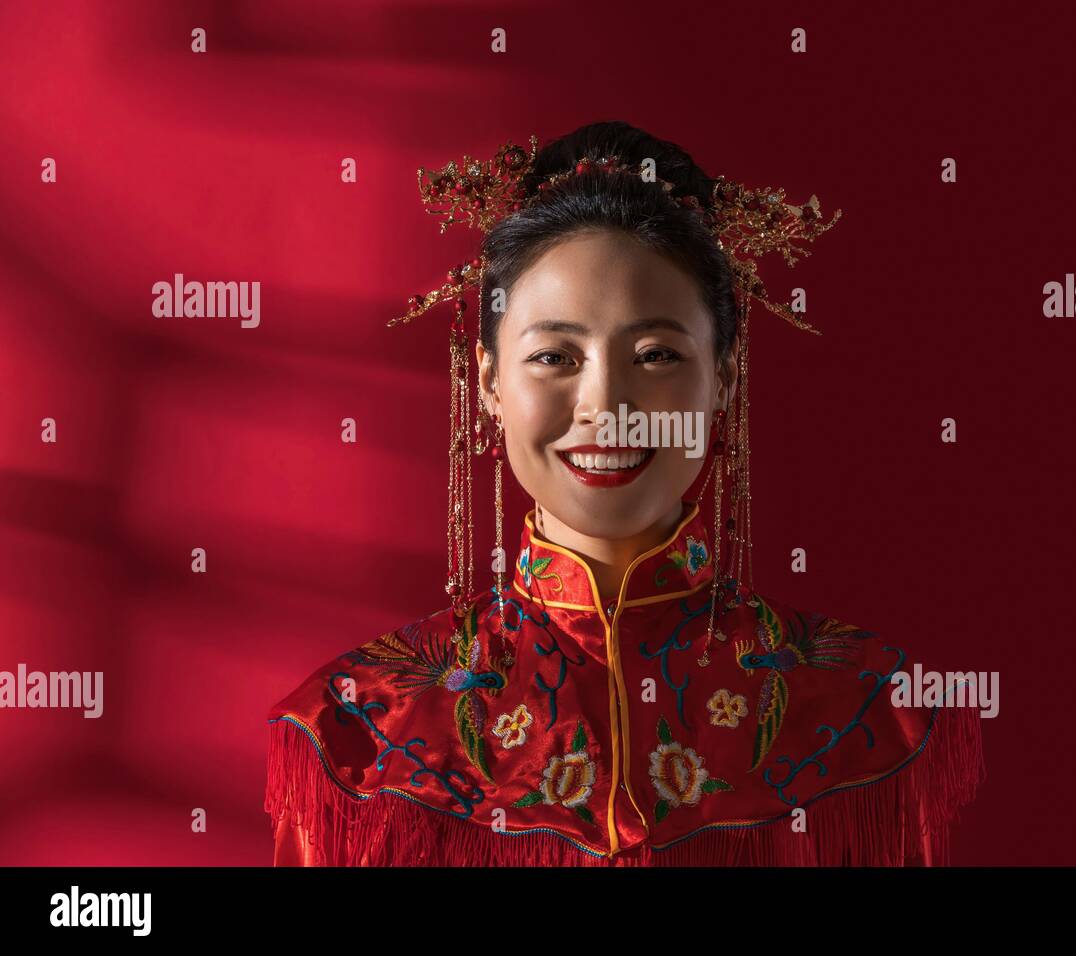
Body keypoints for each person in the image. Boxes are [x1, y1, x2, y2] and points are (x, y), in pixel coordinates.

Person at [264, 120, 986, 866]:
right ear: (488, 383)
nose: (605, 406)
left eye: (656, 355)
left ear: (724, 378)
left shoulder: (867, 715)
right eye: (554, 356)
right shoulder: (360, 727)